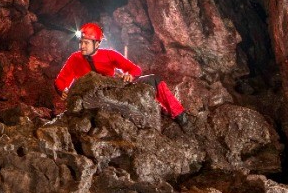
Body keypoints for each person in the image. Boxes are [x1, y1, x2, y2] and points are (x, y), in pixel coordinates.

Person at [53, 22, 188, 127]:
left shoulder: (109, 55)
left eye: (86, 43)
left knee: (154, 80)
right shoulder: (75, 58)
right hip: (91, 101)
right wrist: (62, 90)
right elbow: (61, 80)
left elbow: (135, 70)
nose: (82, 46)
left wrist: (129, 75)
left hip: (113, 93)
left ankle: (179, 114)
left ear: (97, 43)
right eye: (81, 42)